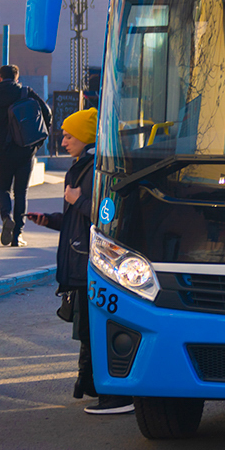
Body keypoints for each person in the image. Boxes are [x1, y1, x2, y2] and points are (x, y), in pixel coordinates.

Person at [27, 109, 134, 415]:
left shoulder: (95, 172)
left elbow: (107, 218)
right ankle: (93, 387)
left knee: (93, 329)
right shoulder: (79, 169)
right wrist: (48, 220)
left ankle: (113, 394)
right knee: (86, 329)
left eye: (69, 135)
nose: (63, 140)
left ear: (85, 138)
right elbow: (76, 221)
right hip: (79, 262)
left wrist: (79, 201)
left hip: (94, 264)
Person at [0, 64, 52, 247]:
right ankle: (17, 235)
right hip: (25, 150)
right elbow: (47, 112)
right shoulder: (25, 92)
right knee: (21, 193)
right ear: (16, 78)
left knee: (3, 189)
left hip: (2, 152)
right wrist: (40, 138)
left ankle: (6, 217)